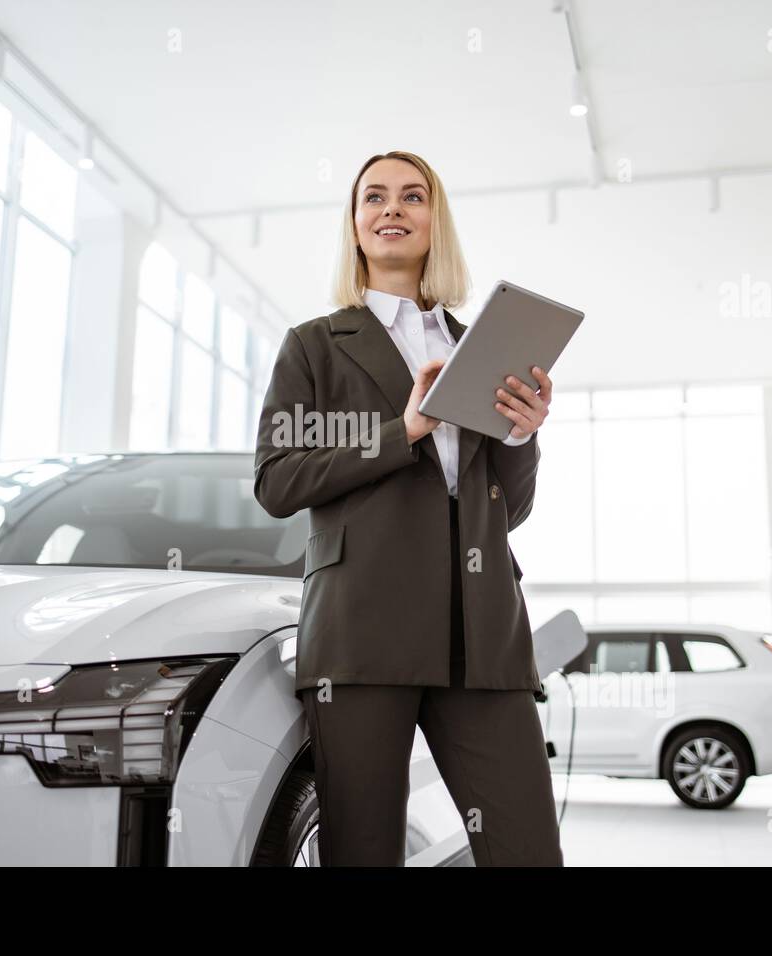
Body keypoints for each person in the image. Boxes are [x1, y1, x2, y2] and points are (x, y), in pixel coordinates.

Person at [253, 149, 562, 867]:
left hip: (481, 638)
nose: (393, 208)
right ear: (356, 225)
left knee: (528, 852)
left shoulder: (479, 348)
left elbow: (505, 512)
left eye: (413, 196)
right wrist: (406, 431)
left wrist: (521, 432)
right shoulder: (315, 347)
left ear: (434, 221)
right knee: (363, 852)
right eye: (375, 197)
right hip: (362, 639)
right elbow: (278, 481)